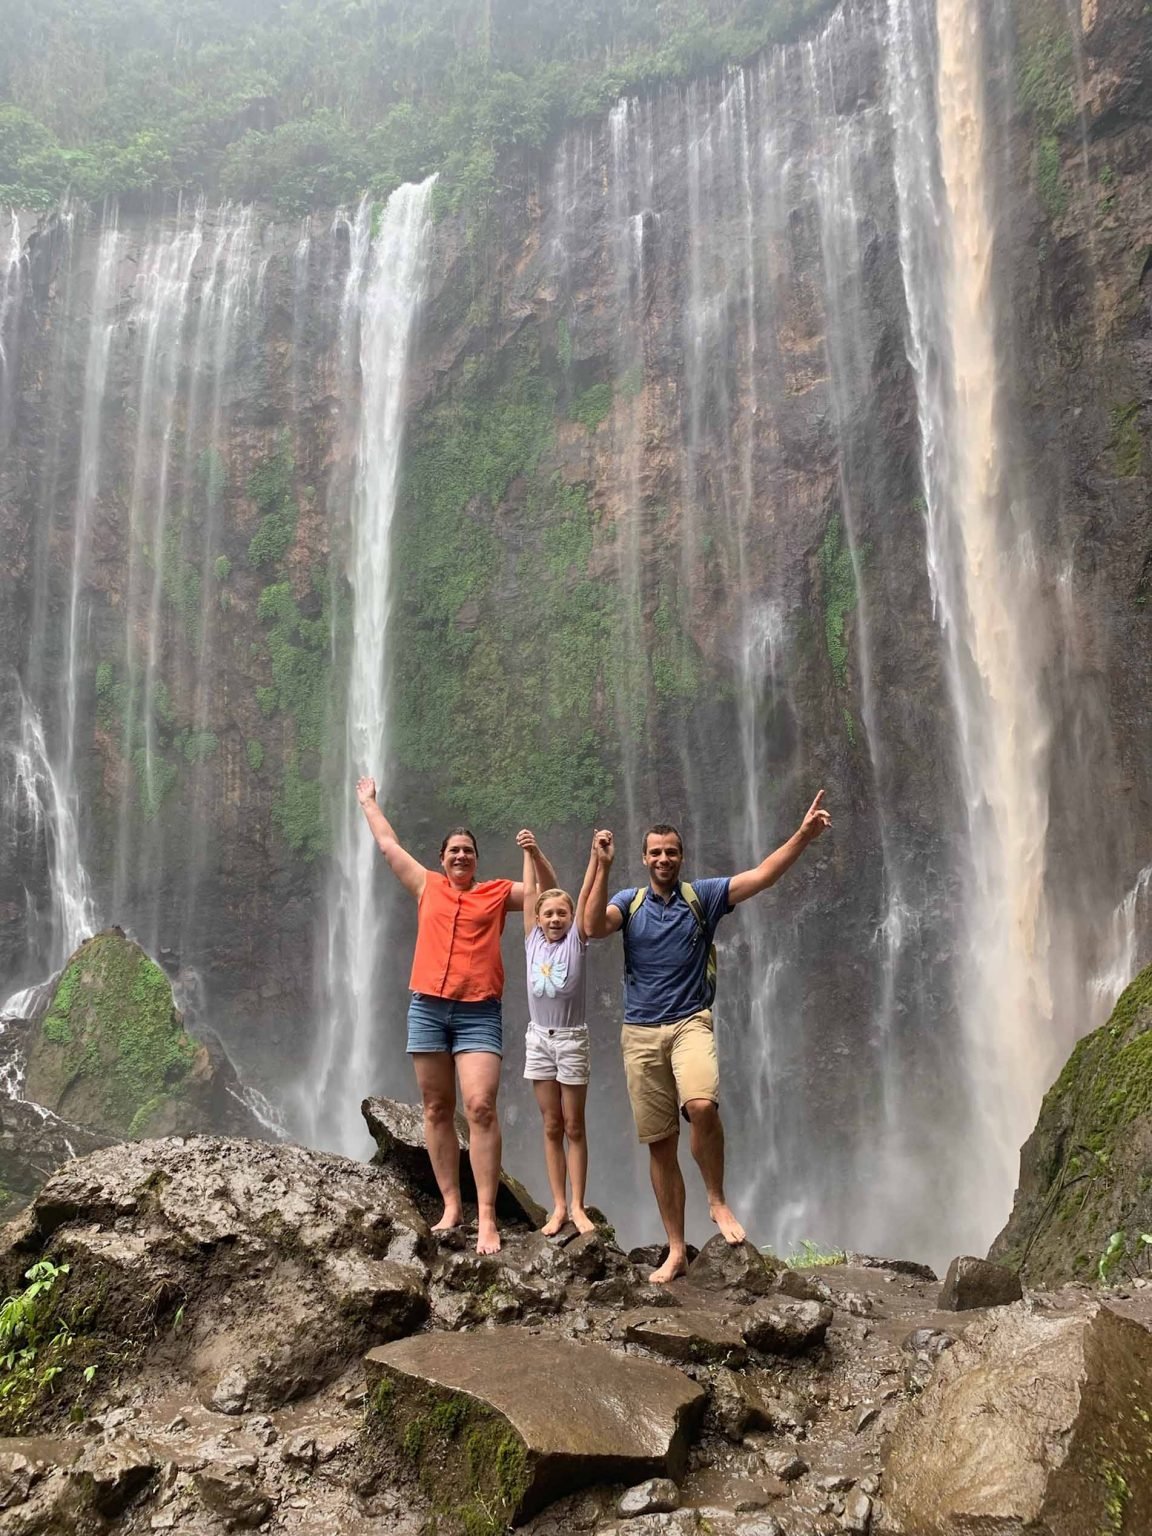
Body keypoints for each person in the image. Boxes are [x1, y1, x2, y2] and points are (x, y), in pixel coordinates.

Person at [583, 795, 831, 1283]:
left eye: (671, 852)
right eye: (655, 852)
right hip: (639, 1032)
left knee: (702, 1106)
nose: (663, 859)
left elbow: (761, 876)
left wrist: (803, 835)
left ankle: (716, 1199)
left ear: (681, 855)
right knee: (660, 1144)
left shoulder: (705, 897)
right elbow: (590, 927)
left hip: (690, 1021)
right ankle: (676, 1249)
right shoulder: (626, 903)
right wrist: (600, 865)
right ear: (645, 857)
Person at [356, 777, 556, 1255]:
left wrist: (535, 854)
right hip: (427, 1007)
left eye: (469, 850)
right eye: (454, 851)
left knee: (481, 1106)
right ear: (442, 858)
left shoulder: (495, 894)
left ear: (476, 859)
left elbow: (546, 896)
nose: (462, 856)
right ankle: (450, 1207)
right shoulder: (426, 886)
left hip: (478, 1012)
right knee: (435, 1108)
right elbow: (388, 845)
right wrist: (368, 802)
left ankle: (487, 1216)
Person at [519, 830, 606, 1237]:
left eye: (561, 914)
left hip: (571, 1040)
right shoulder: (531, 940)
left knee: (574, 1126)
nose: (554, 919)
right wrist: (530, 853)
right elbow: (533, 890)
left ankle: (578, 1205)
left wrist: (594, 857)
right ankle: (557, 1206)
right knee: (551, 1125)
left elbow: (587, 893)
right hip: (538, 1040)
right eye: (548, 914)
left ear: (570, 919)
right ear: (538, 919)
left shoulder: (577, 941)